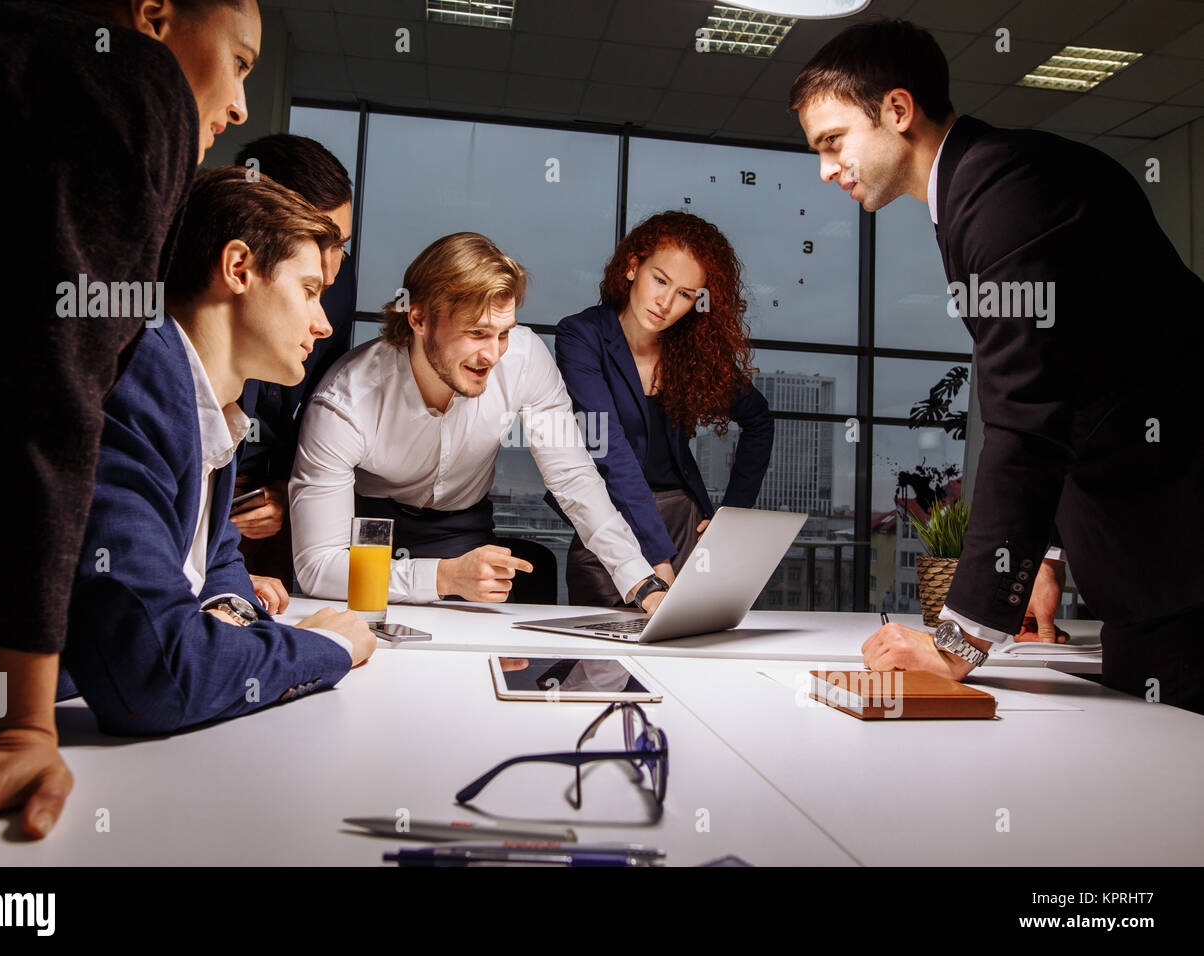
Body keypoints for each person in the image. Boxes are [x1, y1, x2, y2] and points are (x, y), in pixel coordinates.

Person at [0, 0, 260, 850]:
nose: (242, 104)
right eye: (240, 61)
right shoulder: (128, 79)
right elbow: (46, 389)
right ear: (155, 14)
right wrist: (14, 727)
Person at [791, 19, 1204, 712]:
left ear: (897, 110)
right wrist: (1040, 556)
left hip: (1179, 554)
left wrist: (959, 641)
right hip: (1155, 558)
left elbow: (1026, 416)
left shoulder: (1007, 196)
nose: (826, 167)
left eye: (833, 141)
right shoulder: (985, 187)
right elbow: (1072, 381)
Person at [63, 166, 375, 736]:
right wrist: (326, 645)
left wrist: (220, 620)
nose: (324, 323)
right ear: (238, 269)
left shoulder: (206, 401)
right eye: (308, 290)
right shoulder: (136, 384)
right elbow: (156, 679)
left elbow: (220, 560)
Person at [290, 232, 669, 613]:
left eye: (503, 333)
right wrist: (443, 577)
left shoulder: (525, 359)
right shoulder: (343, 402)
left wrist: (640, 581)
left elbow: (573, 477)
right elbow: (318, 566)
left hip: (461, 529)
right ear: (419, 318)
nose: (492, 354)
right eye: (476, 333)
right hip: (370, 531)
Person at [554, 211, 774, 606]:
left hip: (686, 523)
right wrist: (656, 554)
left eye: (686, 294)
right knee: (600, 660)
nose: (666, 303)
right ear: (631, 267)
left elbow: (759, 420)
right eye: (660, 280)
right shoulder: (581, 336)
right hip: (610, 520)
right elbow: (608, 446)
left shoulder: (691, 351)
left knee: (692, 659)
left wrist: (732, 518)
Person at [229, 134, 357, 586]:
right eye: (316, 239)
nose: (326, 267)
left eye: (339, 242)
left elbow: (323, 395)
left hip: (278, 493)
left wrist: (287, 488)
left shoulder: (338, 284)